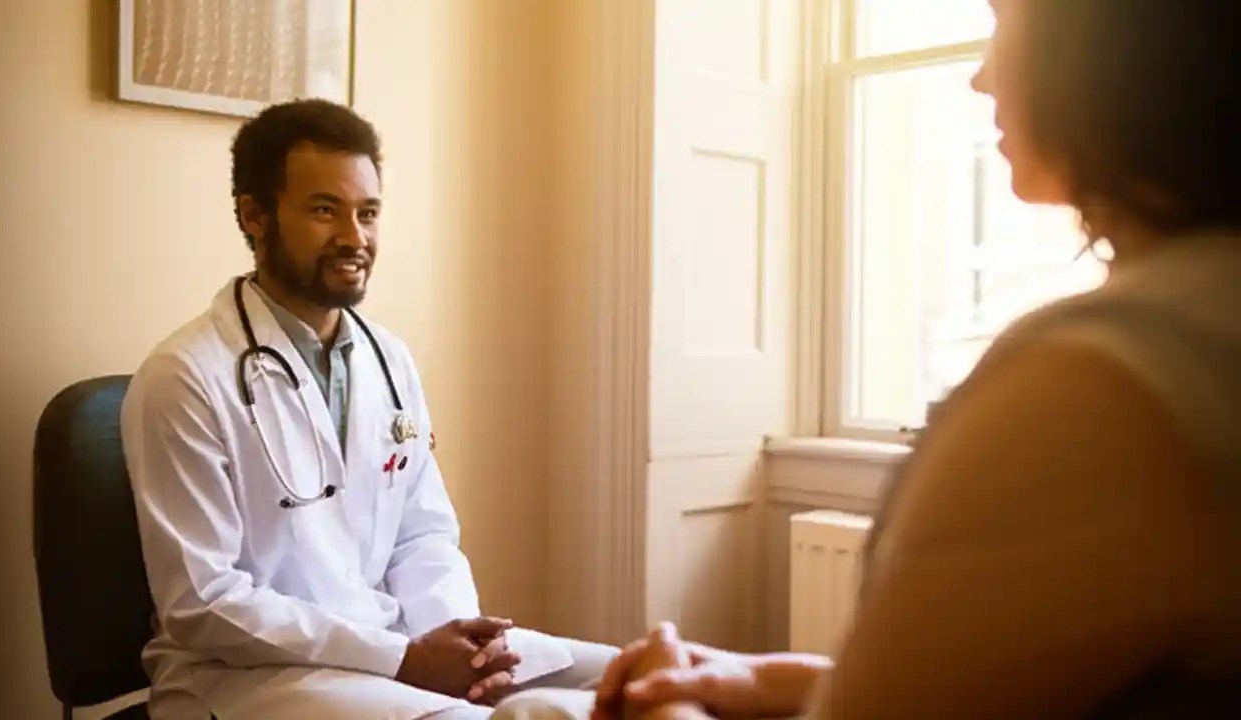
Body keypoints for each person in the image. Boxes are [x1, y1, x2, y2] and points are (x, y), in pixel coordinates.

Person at [520, 1, 1241, 718]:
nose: (981, 79)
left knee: (543, 714)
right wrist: (749, 678)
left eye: (1000, 18)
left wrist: (656, 705)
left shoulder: (1098, 387)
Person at [121, 99, 616, 720]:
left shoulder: (388, 358)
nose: (354, 238)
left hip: (394, 646)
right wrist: (404, 661)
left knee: (635, 680)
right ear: (254, 216)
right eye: (325, 210)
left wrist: (459, 647)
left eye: (368, 213)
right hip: (251, 679)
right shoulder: (186, 376)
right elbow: (203, 603)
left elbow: (423, 534)